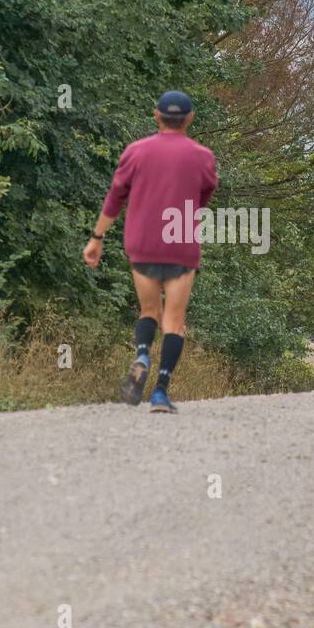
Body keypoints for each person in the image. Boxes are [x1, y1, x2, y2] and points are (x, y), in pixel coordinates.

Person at [82, 90, 218, 413]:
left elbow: (116, 196)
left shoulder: (136, 152)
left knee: (148, 311)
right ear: (190, 119)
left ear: (156, 116)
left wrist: (97, 237)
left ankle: (142, 352)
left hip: (142, 243)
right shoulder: (202, 156)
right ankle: (160, 391)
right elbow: (205, 193)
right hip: (181, 243)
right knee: (174, 320)